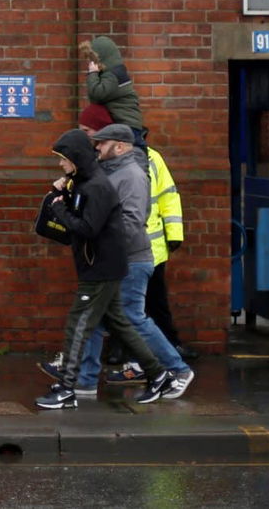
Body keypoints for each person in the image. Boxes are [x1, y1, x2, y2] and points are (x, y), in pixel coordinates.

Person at [35, 128, 171, 409]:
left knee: (79, 323)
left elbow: (87, 227)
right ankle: (158, 375)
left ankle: (67, 387)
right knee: (120, 323)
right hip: (100, 265)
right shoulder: (85, 182)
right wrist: (58, 192)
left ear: (76, 158)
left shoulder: (96, 186)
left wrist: (59, 209)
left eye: (63, 160)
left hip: (101, 267)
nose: (60, 165)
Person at [64, 124, 194, 399]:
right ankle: (85, 381)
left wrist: (98, 236)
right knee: (98, 319)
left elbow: (132, 222)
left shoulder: (132, 176)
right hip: (115, 259)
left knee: (133, 318)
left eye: (102, 142)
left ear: (120, 146)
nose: (96, 147)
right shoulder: (110, 172)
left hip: (132, 260)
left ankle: (177, 369)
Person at [80, 35, 145, 144]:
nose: (90, 63)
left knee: (132, 154)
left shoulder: (114, 75)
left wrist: (93, 73)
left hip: (128, 126)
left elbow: (96, 95)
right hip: (123, 124)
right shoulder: (113, 73)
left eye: (92, 60)